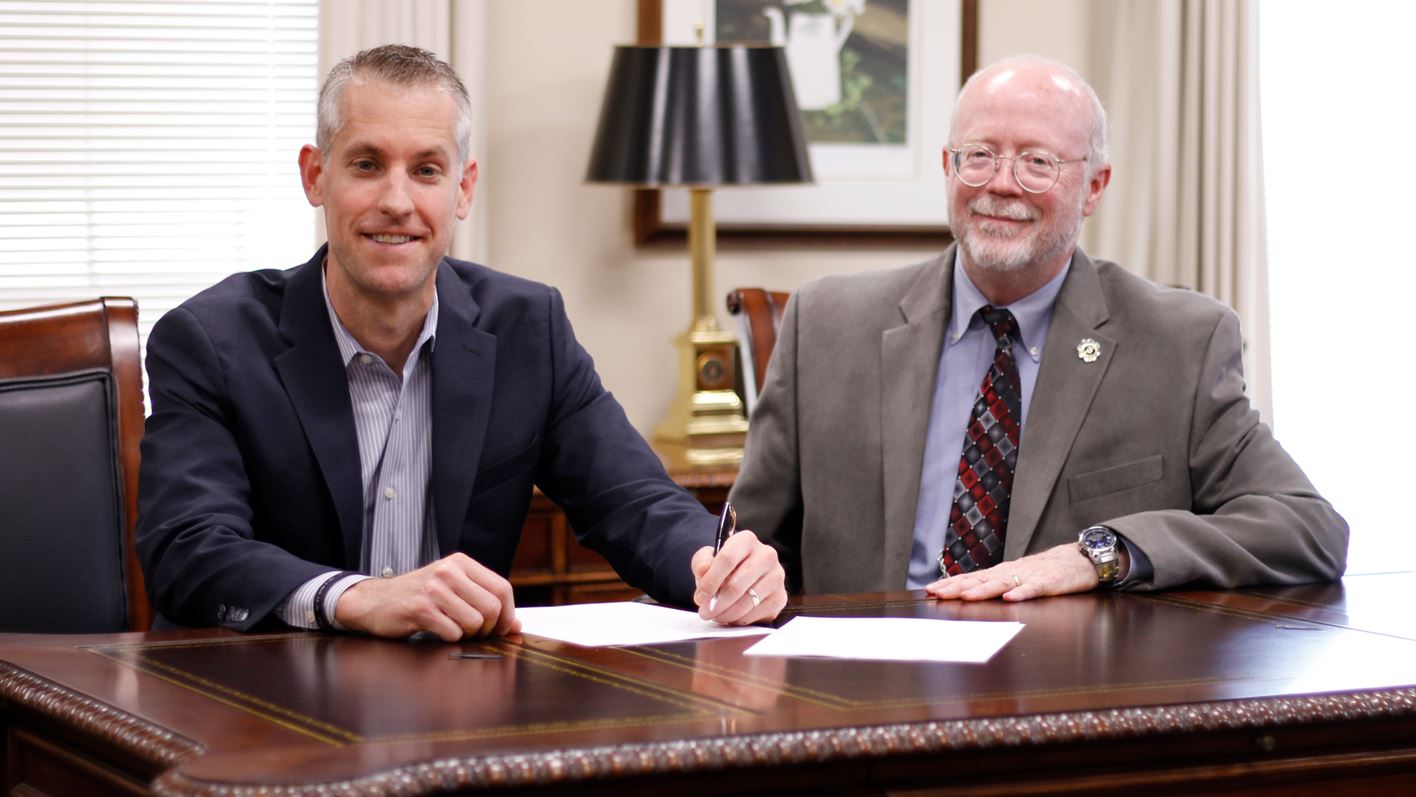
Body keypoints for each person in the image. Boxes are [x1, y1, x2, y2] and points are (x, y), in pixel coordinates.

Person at [136, 44, 785, 640]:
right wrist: (358, 596)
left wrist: (716, 564)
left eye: (426, 169)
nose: (397, 200)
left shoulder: (528, 328)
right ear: (315, 176)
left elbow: (633, 500)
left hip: (452, 710)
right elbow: (188, 548)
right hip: (258, 710)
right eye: (367, 164)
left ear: (463, 188)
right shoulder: (210, 341)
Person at [729, 55, 1347, 602]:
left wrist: (1101, 553)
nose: (1001, 183)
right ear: (948, 167)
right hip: (863, 700)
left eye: (1037, 162)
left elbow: (1307, 530)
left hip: (1063, 697)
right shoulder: (828, 326)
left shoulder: (1180, 344)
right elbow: (748, 545)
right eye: (979, 155)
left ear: (1094, 187)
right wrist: (732, 580)